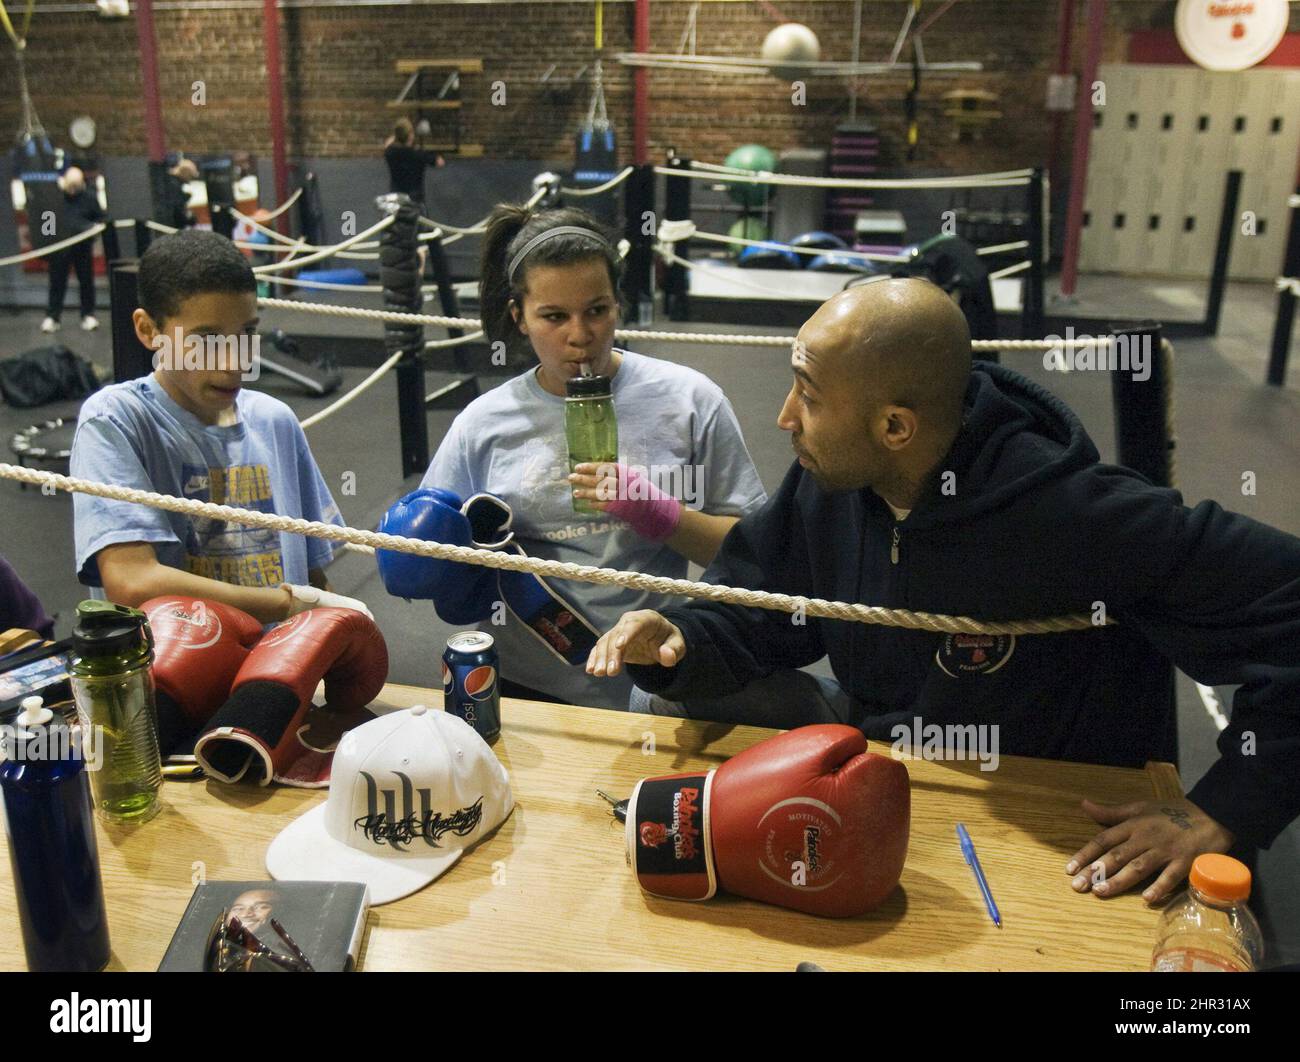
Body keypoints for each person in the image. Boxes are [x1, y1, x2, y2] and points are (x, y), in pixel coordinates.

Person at [587, 276, 1300, 904]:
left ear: (894, 426)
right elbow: (768, 600)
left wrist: (1223, 809)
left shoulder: (1071, 514)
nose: (785, 417)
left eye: (807, 393)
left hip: (1036, 795)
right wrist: (684, 635)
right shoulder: (832, 480)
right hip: (885, 767)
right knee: (663, 690)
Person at [379, 204, 766, 709]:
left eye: (597, 310)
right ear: (519, 317)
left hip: (657, 677)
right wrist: (432, 562)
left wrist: (662, 515)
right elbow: (437, 555)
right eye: (554, 316)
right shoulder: (483, 423)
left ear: (618, 305)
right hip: (526, 684)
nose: (580, 335)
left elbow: (757, 561)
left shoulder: (690, 401)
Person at [68, 229, 368, 624]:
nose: (234, 362)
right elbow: (132, 579)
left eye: (246, 333)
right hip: (170, 681)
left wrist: (336, 634)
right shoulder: (115, 420)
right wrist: (288, 603)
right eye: (206, 338)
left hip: (278, 679)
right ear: (148, 330)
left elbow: (308, 577)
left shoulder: (274, 421)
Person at [40, 167, 105, 334]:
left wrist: (93, 230)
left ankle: (88, 315)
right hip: (60, 249)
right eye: (70, 186)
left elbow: (99, 218)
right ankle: (53, 317)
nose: (73, 190)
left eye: (76, 186)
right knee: (57, 282)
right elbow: (47, 220)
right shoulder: (55, 198)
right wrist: (50, 241)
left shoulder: (89, 197)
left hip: (82, 247)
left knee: (86, 281)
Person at [382, 118, 444, 209]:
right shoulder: (419, 154)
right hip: (415, 200)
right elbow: (440, 162)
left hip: (397, 197)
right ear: (410, 136)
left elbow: (388, 143)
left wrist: (397, 135)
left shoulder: (390, 152)